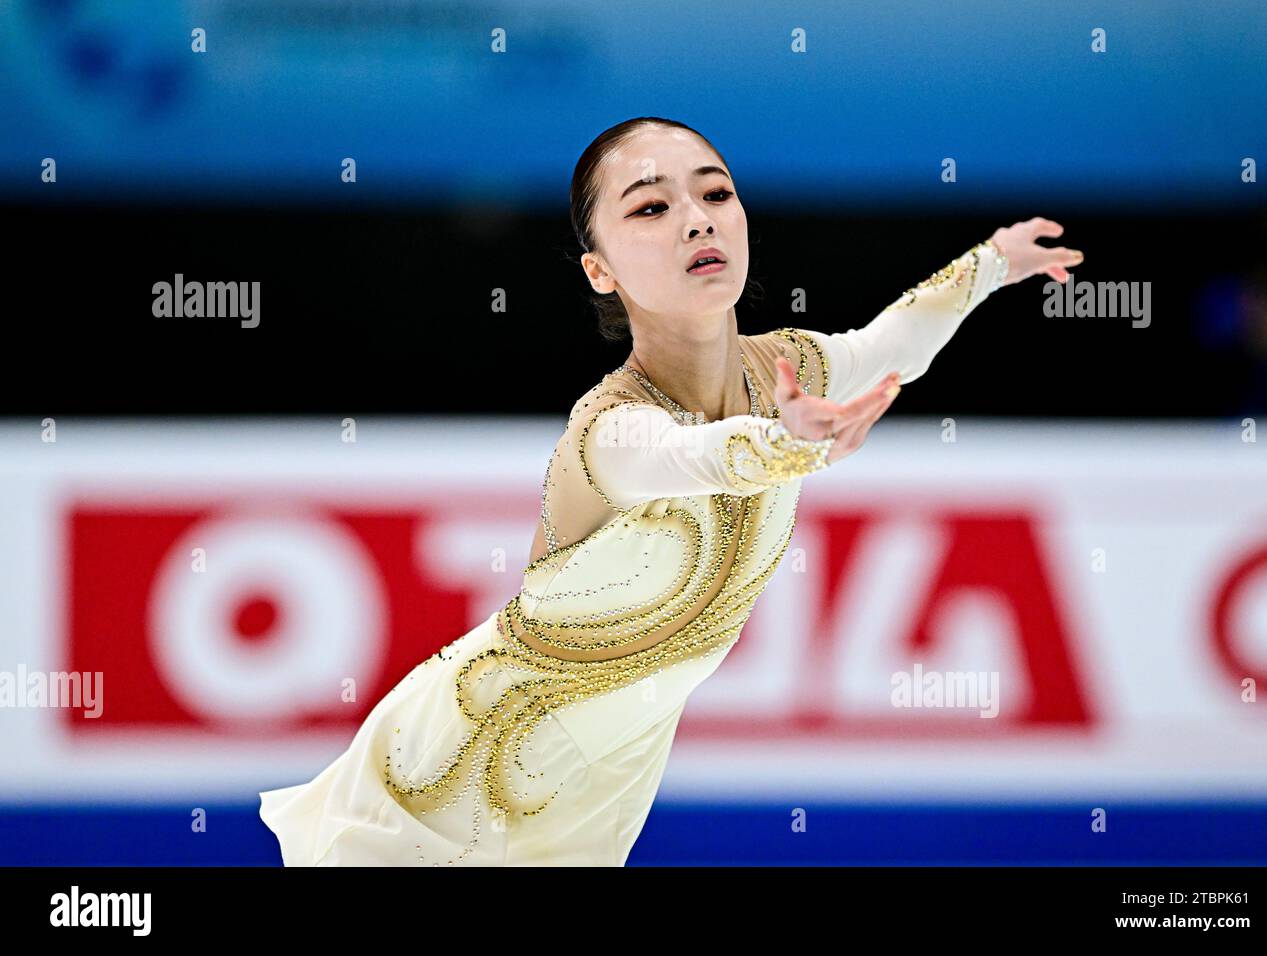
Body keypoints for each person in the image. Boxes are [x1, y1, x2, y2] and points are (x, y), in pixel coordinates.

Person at [258, 116, 1084, 866]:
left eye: (716, 193)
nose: (698, 219)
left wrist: (993, 264)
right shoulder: (607, 431)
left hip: (591, 804)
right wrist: (782, 443)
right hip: (445, 780)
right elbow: (688, 457)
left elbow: (894, 341)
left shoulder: (789, 367)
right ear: (599, 269)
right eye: (650, 208)